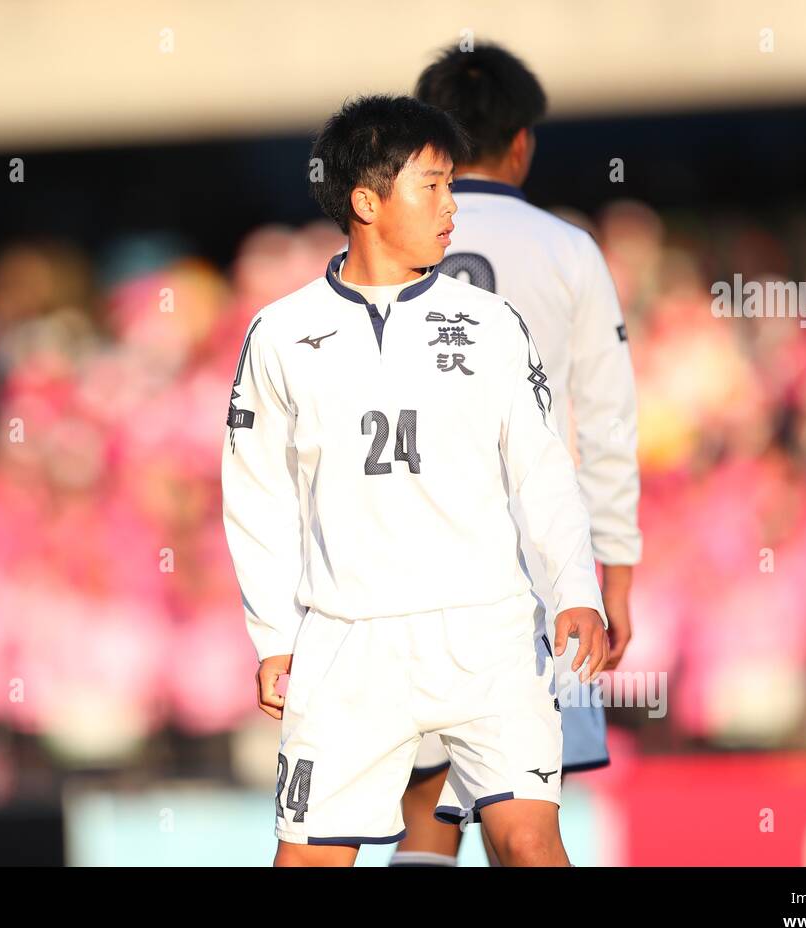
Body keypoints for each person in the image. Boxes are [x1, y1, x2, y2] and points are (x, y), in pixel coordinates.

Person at [220, 94, 608, 867]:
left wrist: (577, 588)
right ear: (366, 202)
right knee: (308, 860)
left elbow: (541, 467)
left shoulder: (490, 323)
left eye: (451, 184)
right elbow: (256, 493)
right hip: (348, 642)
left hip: (488, 631)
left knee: (529, 842)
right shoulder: (281, 335)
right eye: (431, 186)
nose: (451, 206)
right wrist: (275, 637)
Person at [391, 42, 642, 867]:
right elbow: (606, 422)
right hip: (531, 570)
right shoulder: (566, 249)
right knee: (522, 812)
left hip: (404, 565)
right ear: (522, 141)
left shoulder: (384, 248)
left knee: (425, 805)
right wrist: (614, 575)